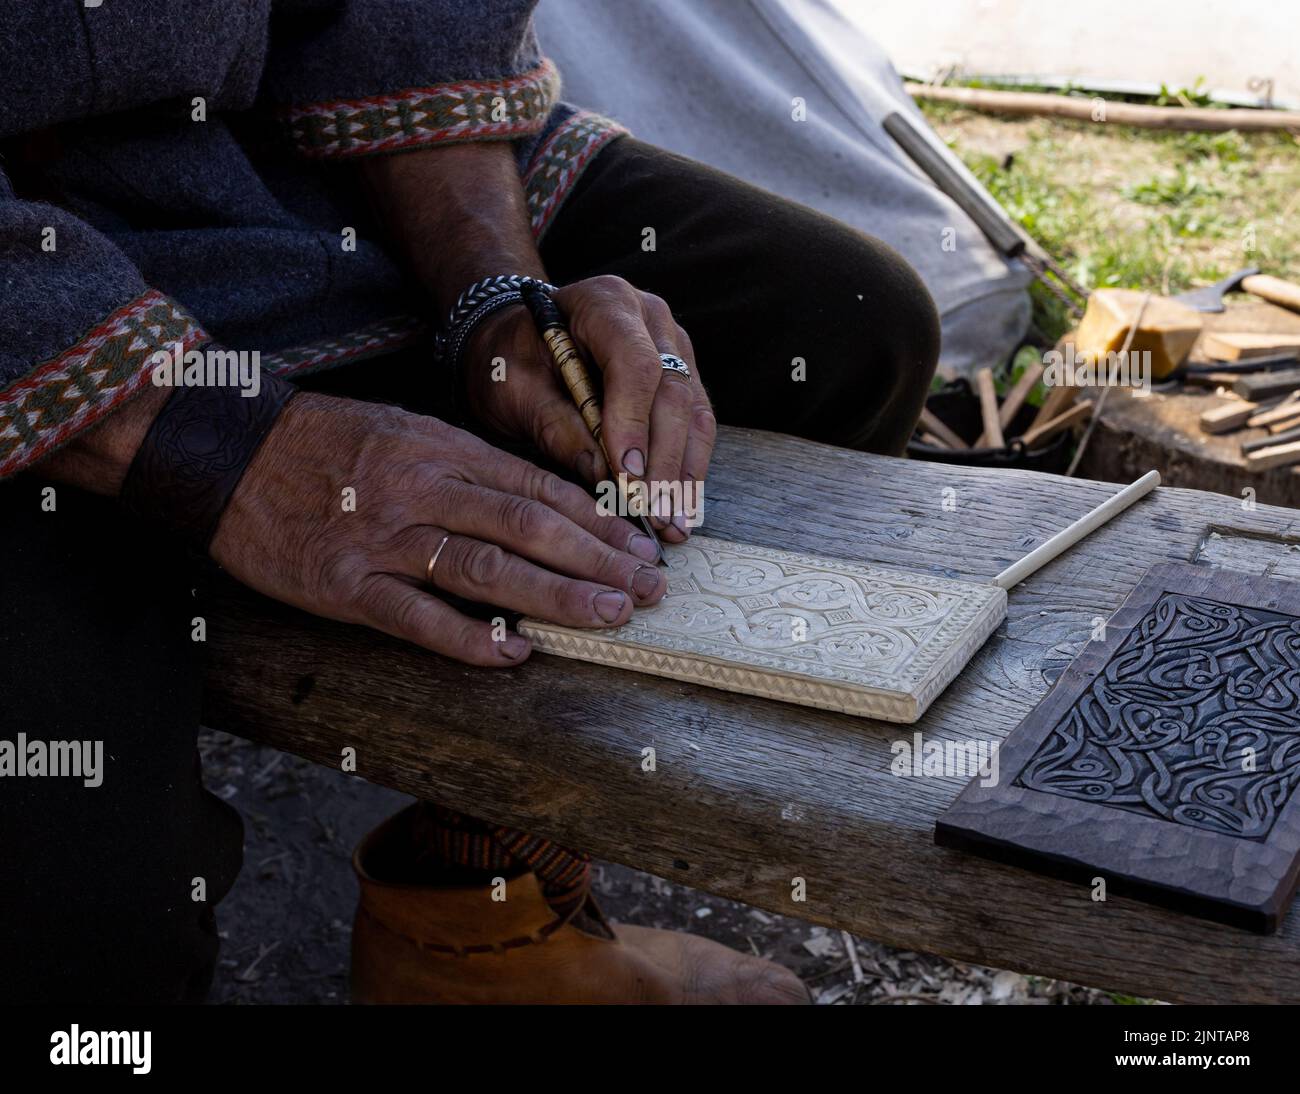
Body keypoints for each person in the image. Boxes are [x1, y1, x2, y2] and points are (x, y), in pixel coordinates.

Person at [0, 1, 938, 1004]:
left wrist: (491, 302)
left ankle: (475, 927)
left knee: (838, 324)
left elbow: (404, 21)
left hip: (260, 171)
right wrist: (232, 453)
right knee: (74, 883)